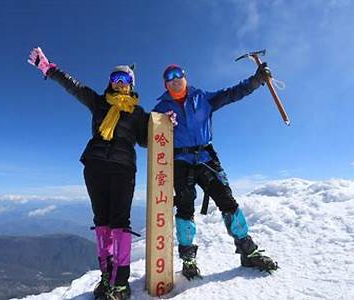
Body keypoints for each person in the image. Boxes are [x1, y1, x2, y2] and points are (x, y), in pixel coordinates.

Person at [28, 47, 149, 300]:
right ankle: (106, 277)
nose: (118, 83)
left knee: (120, 224)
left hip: (123, 168)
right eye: (115, 78)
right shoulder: (98, 102)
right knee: (102, 223)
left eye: (124, 79)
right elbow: (75, 87)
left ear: (131, 84)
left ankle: (120, 282)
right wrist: (50, 69)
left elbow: (148, 140)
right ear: (109, 82)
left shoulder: (138, 114)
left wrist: (165, 124)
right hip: (95, 167)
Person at [152, 63, 279, 279]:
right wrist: (163, 125)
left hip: (206, 157)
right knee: (184, 206)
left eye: (178, 74)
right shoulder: (160, 109)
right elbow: (149, 139)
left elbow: (232, 93)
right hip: (180, 160)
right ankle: (188, 259)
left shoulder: (202, 98)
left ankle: (248, 250)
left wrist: (256, 80)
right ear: (166, 84)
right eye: (169, 77)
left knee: (226, 200)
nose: (175, 78)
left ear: (185, 77)